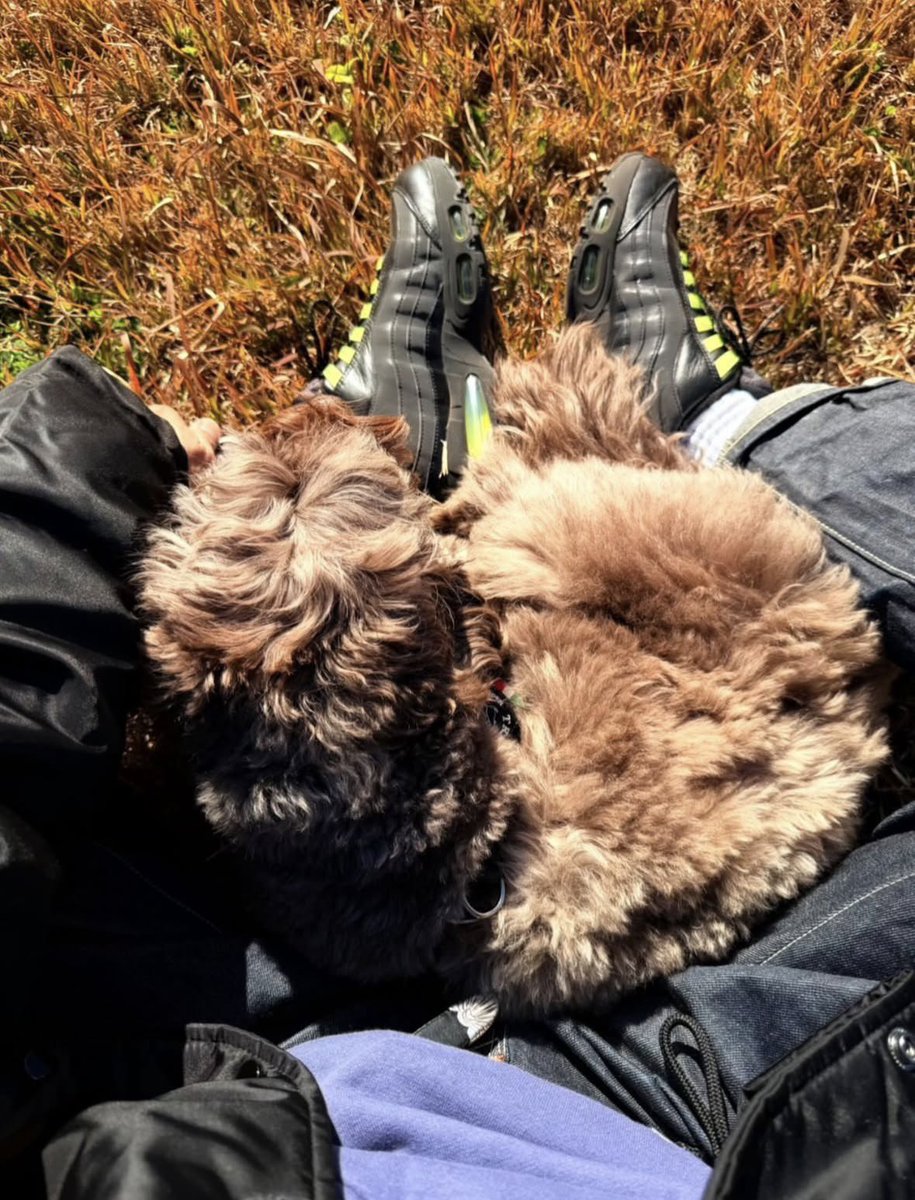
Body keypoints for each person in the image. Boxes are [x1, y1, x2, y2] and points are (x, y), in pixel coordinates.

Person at [0, 152, 913, 1197]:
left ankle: (395, 433)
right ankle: (713, 423)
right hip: (705, 1118)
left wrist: (76, 467)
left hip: (211, 1081)